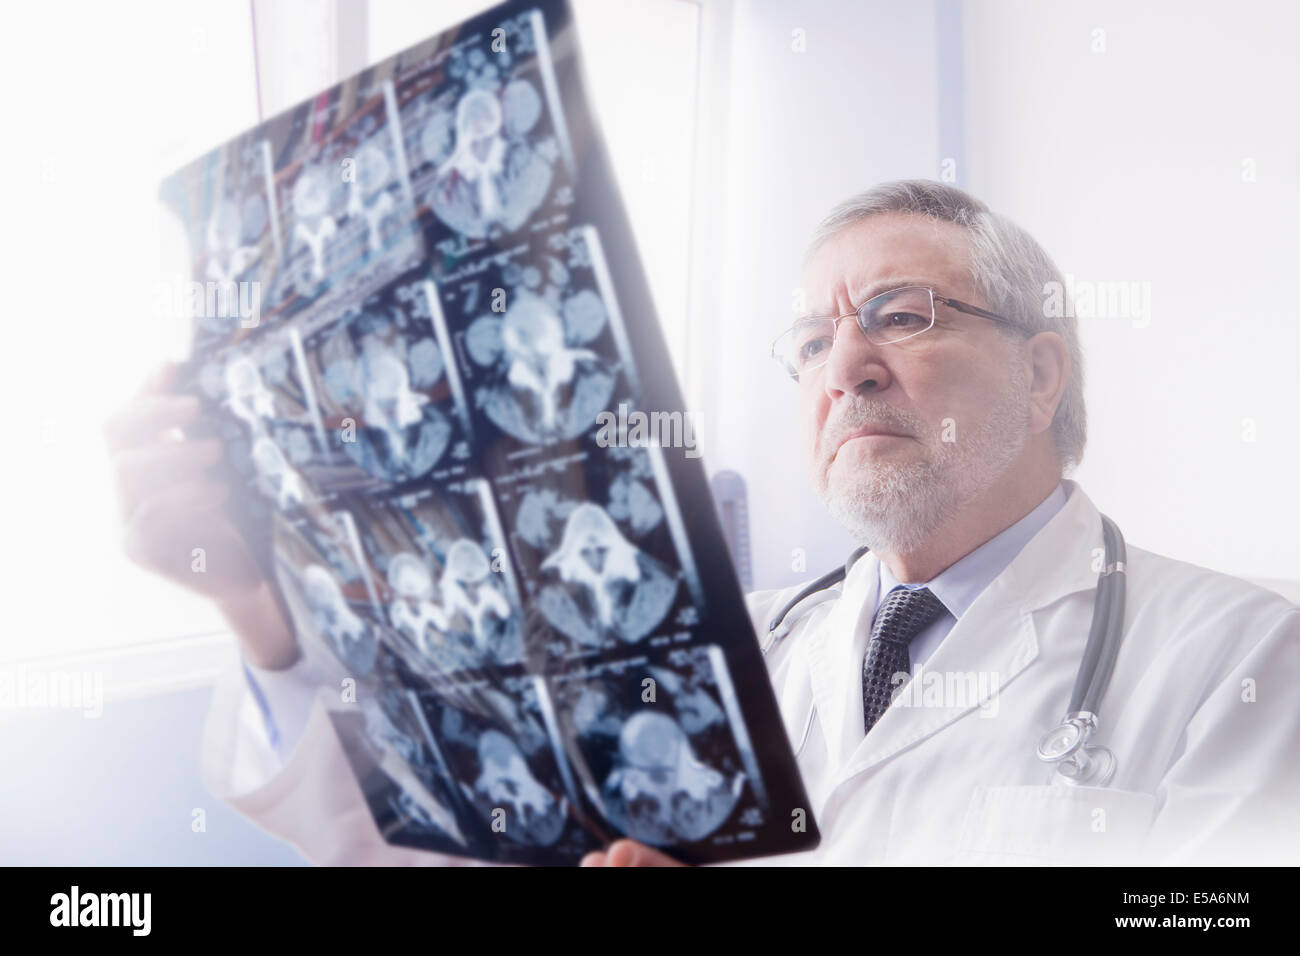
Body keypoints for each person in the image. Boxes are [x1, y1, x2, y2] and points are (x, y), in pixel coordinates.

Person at [107, 179, 1300, 866]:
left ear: (1042, 374)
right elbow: (458, 835)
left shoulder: (1239, 659)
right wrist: (256, 602)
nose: (847, 366)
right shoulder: (739, 649)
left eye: (902, 313)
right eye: (811, 342)